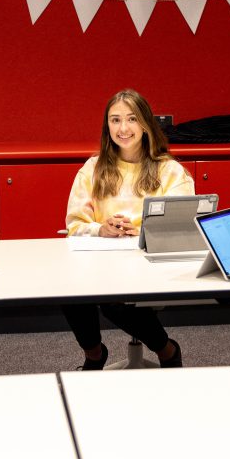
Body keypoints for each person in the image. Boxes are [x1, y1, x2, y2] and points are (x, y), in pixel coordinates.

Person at [62, 89, 193, 369]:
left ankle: (167, 349)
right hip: (102, 262)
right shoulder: (93, 169)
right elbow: (74, 225)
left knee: (111, 298)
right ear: (107, 126)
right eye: (115, 120)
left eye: (132, 119)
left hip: (148, 263)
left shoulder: (170, 171)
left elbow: (183, 224)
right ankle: (94, 354)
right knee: (68, 290)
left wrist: (145, 229)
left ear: (145, 124)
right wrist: (101, 229)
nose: (123, 128)